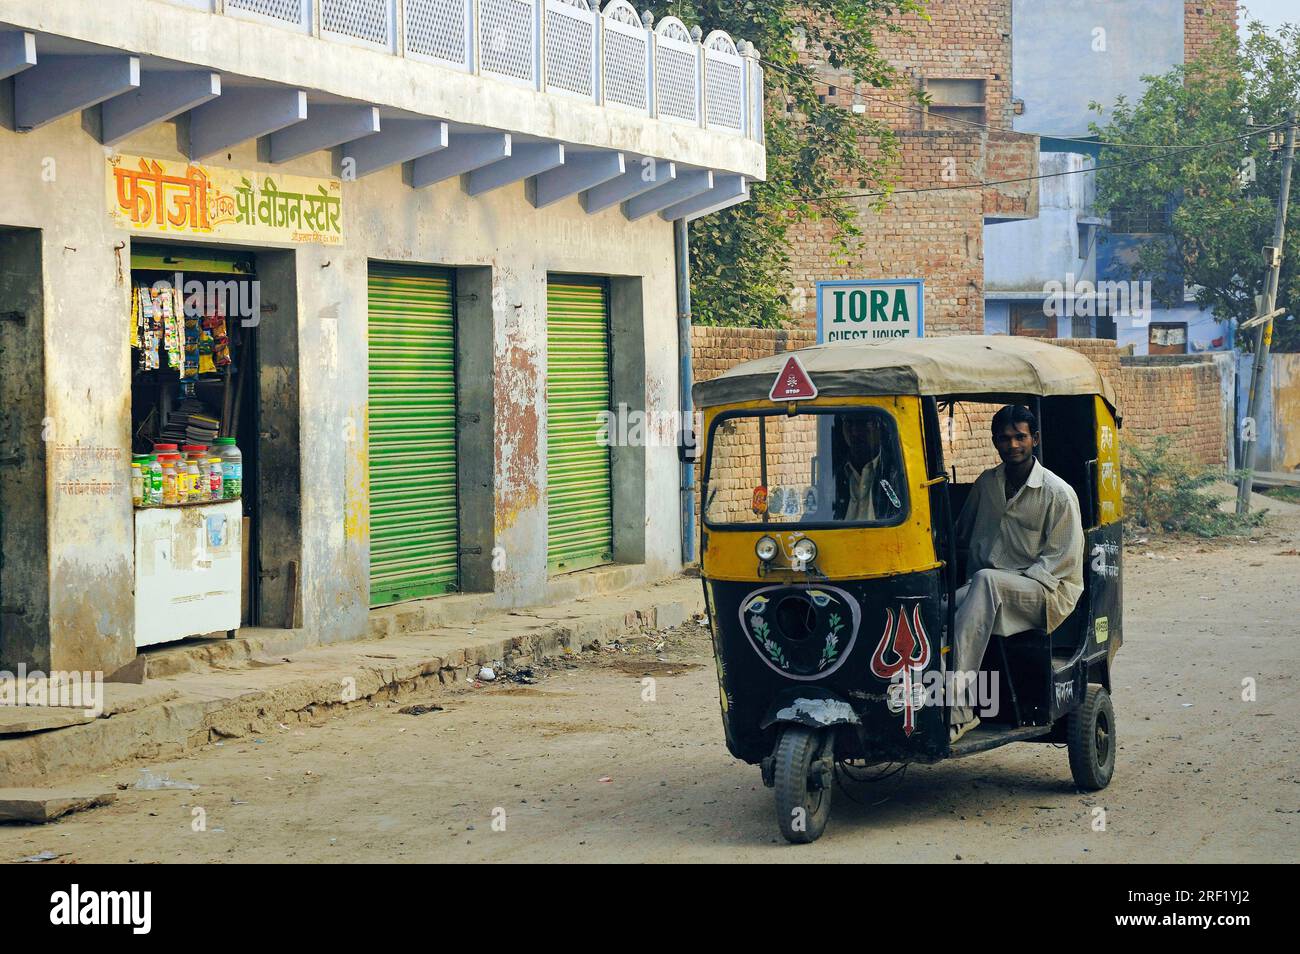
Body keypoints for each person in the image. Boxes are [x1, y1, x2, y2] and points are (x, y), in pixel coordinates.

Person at [948, 404, 1084, 743]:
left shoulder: (1058, 493)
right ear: (995, 442)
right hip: (990, 588)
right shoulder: (987, 484)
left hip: (1046, 592)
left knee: (986, 582)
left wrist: (1003, 580)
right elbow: (962, 536)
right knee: (936, 608)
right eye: (1005, 439)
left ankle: (958, 710)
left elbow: (1062, 562)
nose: (1012, 445)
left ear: (1034, 439)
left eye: (1020, 437)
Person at [832, 412, 904, 523]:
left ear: (880, 427)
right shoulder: (835, 476)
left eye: (864, 423)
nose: (855, 432)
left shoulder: (896, 474)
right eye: (849, 423)